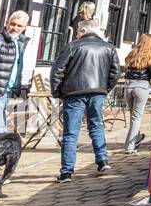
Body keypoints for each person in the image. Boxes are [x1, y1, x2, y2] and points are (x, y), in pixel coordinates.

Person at [50, 17, 120, 181]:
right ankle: (102, 160)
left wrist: (57, 93)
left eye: (77, 32)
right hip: (97, 92)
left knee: (70, 132)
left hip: (74, 92)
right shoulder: (109, 48)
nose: (75, 35)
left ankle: (67, 171)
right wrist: (105, 89)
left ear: (82, 31)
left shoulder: (73, 46)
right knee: (96, 125)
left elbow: (57, 70)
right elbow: (115, 73)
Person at [122, 34, 151, 152]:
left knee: (133, 116)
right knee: (136, 118)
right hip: (141, 88)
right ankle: (130, 146)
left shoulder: (131, 54)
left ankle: (136, 138)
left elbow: (126, 71)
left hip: (128, 87)